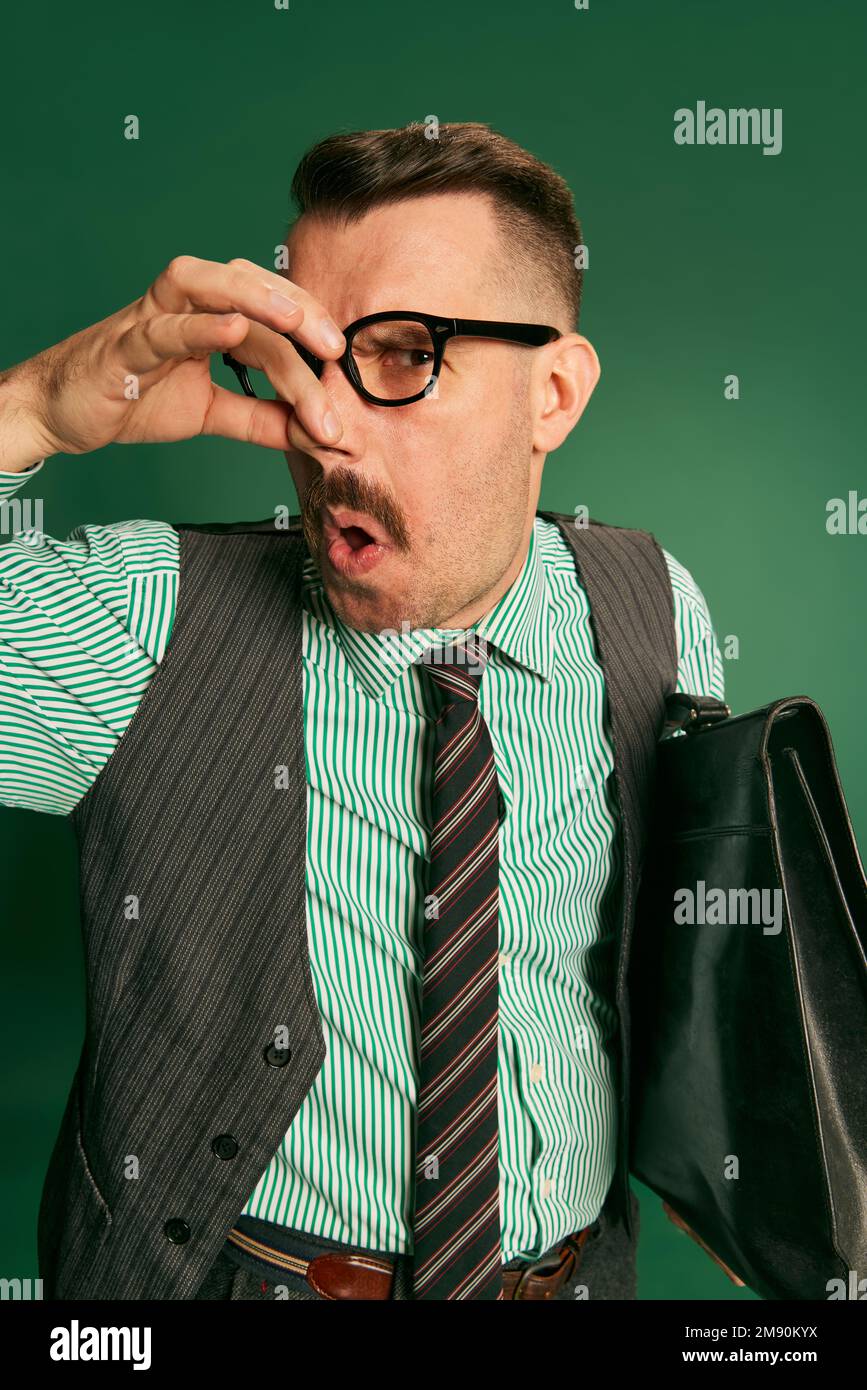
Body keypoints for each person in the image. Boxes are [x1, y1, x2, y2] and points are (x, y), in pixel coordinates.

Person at [0, 121, 742, 1300]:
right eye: (298, 361)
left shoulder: (659, 609)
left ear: (553, 391)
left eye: (401, 356)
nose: (327, 427)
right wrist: (33, 408)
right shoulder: (145, 618)